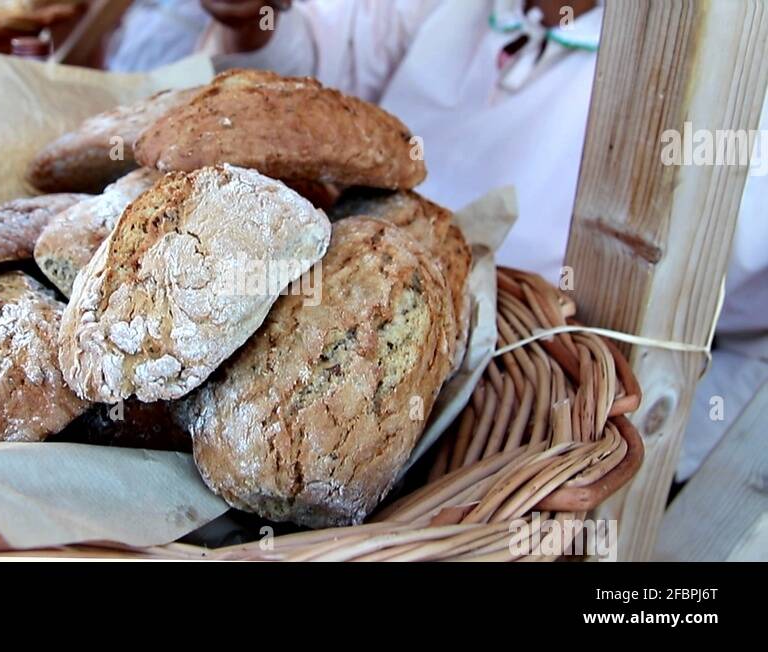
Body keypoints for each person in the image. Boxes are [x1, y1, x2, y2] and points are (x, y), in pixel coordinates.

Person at [194, 0, 768, 482]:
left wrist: (641, 454)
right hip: (313, 357)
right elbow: (322, 81)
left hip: (523, 446)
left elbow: (743, 337)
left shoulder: (729, 94)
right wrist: (253, 20)